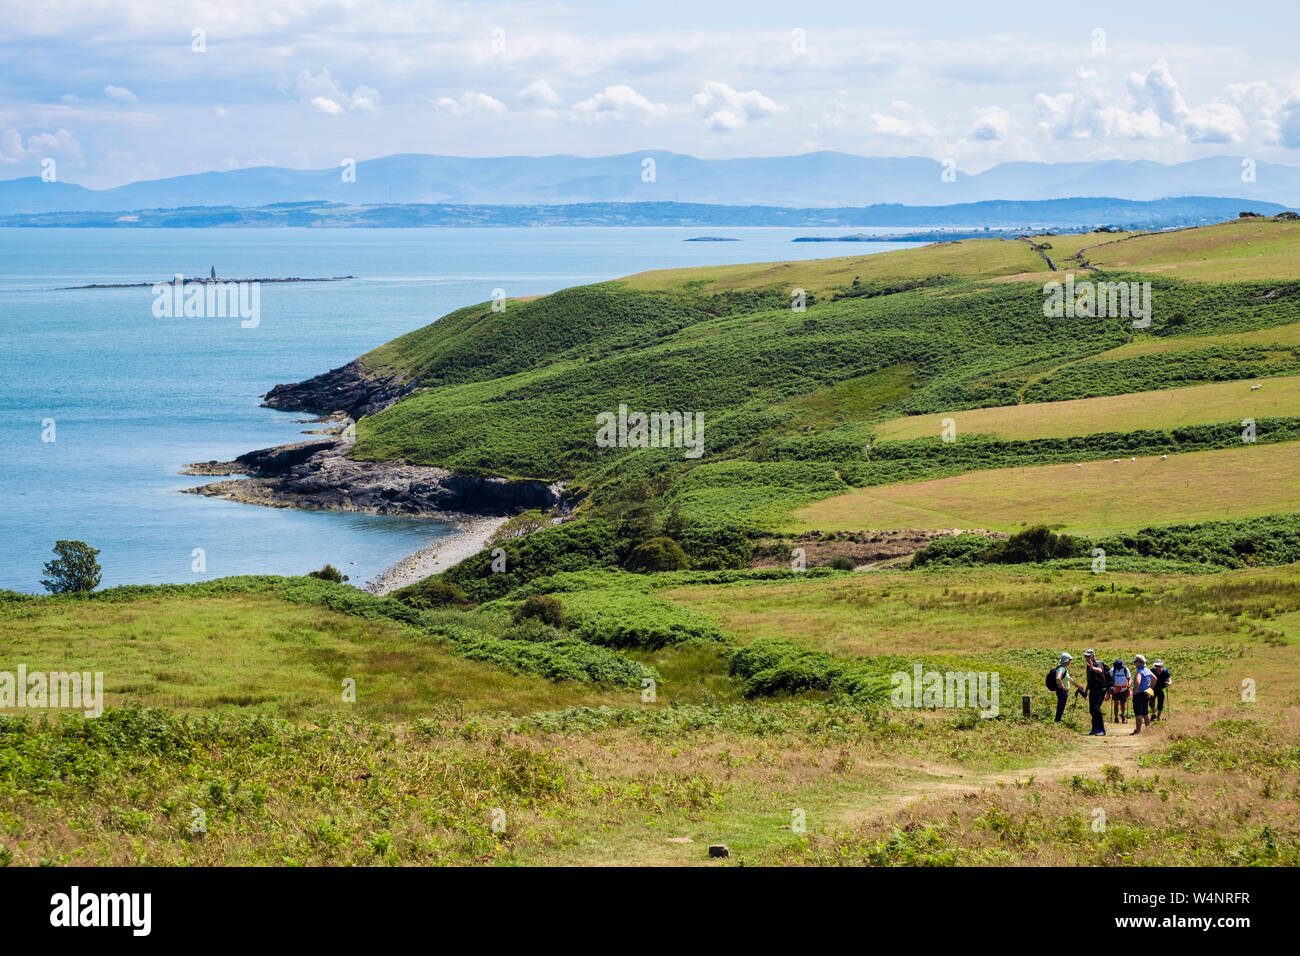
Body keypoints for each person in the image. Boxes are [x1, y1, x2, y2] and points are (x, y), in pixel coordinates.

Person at [1052, 652, 1086, 722]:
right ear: (1067, 660)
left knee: (1061, 706)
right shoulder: (1062, 668)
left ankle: (1058, 720)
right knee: (1061, 707)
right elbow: (1058, 678)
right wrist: (1063, 687)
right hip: (1062, 691)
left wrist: (1077, 686)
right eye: (1070, 660)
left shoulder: (1064, 668)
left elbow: (1070, 679)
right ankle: (1058, 721)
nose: (1070, 661)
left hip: (1063, 691)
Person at [1083, 649, 1110, 736]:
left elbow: (1100, 670)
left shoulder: (1098, 663)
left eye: (1088, 656)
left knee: (1096, 708)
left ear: (1093, 656)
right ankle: (1095, 728)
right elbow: (1089, 680)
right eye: (1085, 656)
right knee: (1092, 710)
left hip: (1100, 689)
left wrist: (1092, 667)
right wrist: (1086, 691)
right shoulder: (1088, 666)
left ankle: (1102, 730)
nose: (1086, 657)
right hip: (1093, 689)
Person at [1130, 654, 1155, 735]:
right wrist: (1150, 688)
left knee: (1138, 713)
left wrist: (1135, 692)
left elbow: (1137, 683)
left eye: (1135, 662)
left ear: (1139, 663)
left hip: (1139, 694)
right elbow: (1155, 679)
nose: (1134, 664)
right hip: (1146, 693)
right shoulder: (1147, 670)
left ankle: (1138, 730)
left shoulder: (1139, 672)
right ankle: (1148, 729)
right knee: (1145, 712)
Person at [1111, 658, 1130, 724]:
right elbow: (1109, 679)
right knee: (1116, 703)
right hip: (1115, 689)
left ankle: (1123, 716)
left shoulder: (1125, 670)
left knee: (1123, 703)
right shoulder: (1112, 670)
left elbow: (1129, 678)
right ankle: (1116, 717)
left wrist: (1129, 683)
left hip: (1124, 689)